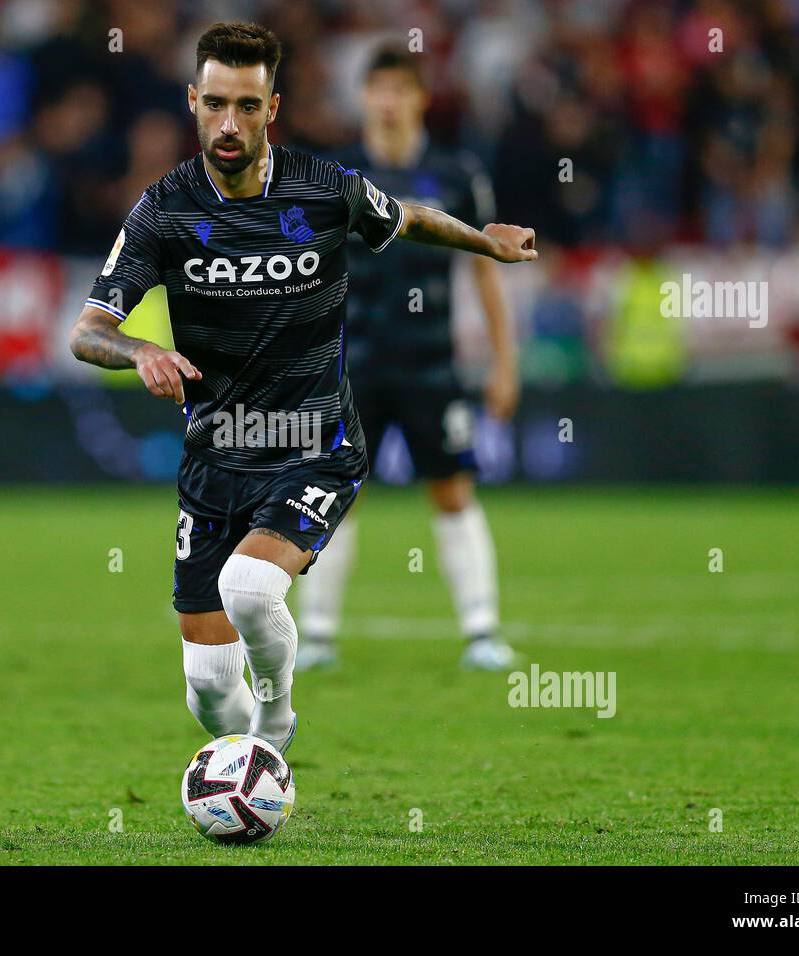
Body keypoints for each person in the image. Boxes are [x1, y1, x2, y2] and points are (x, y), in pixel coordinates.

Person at [68, 22, 537, 751]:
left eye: (247, 106)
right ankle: (240, 757)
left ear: (272, 109)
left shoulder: (325, 190)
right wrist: (137, 351)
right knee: (209, 693)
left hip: (314, 441)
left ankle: (280, 717)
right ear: (193, 100)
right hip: (216, 456)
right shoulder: (163, 208)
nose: (229, 123)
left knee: (251, 590)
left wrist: (486, 241)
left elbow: (408, 216)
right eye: (216, 103)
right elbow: (88, 331)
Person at [296, 45, 520, 672]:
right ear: (364, 97)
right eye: (379, 89)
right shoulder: (336, 176)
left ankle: (482, 632)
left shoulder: (458, 174)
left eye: (401, 89)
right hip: (350, 367)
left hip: (431, 367)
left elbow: (487, 274)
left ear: (421, 97)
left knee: (452, 489)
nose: (389, 101)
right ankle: (316, 636)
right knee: (336, 493)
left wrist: (504, 362)